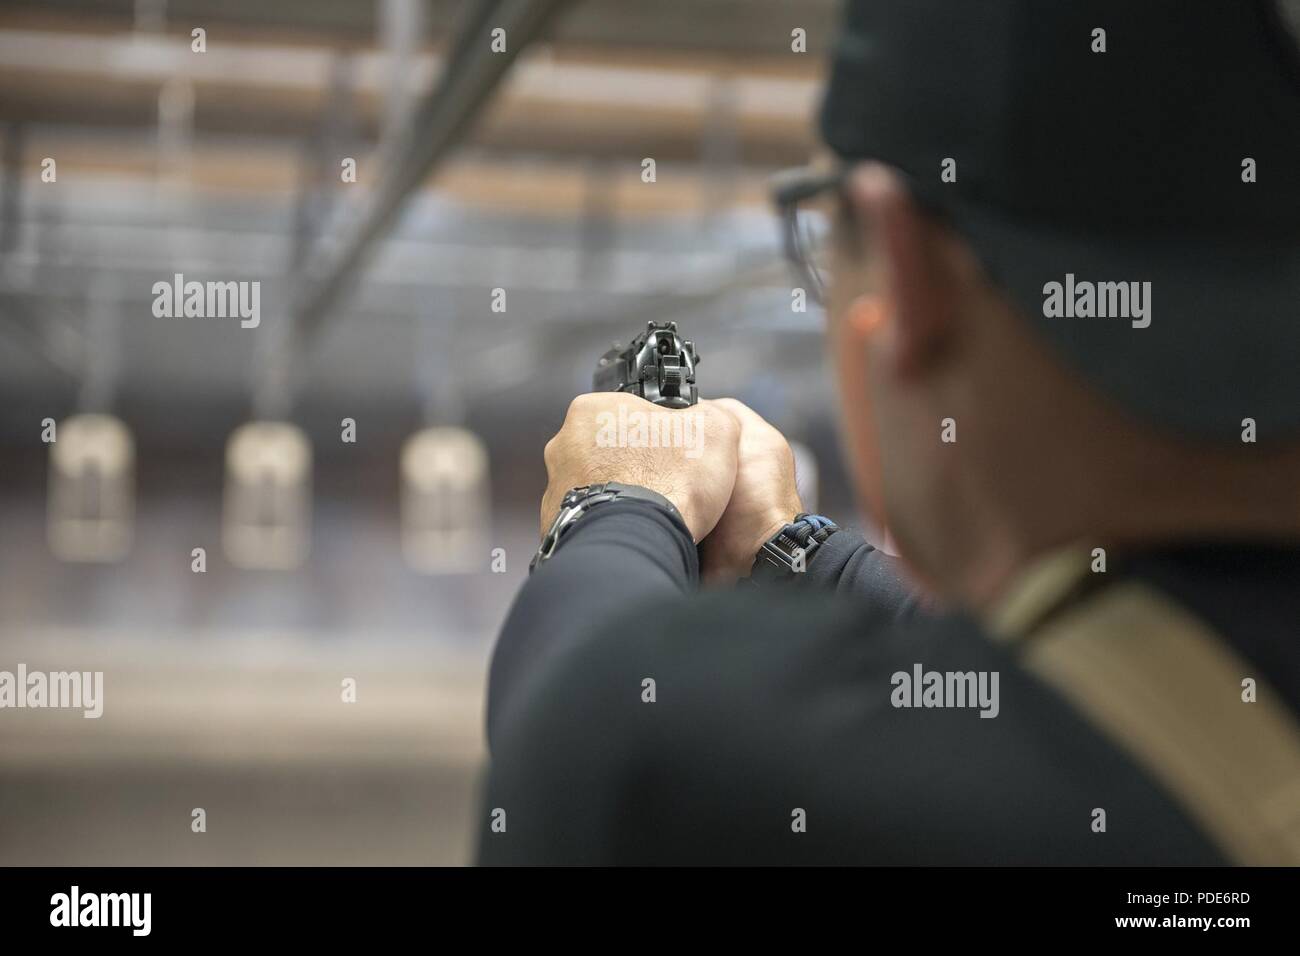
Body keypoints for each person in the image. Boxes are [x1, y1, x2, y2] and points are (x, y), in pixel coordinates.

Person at [477, 0, 1300, 864]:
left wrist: (617, 507)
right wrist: (799, 551)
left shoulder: (708, 780)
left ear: (906, 274)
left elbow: (584, 730)